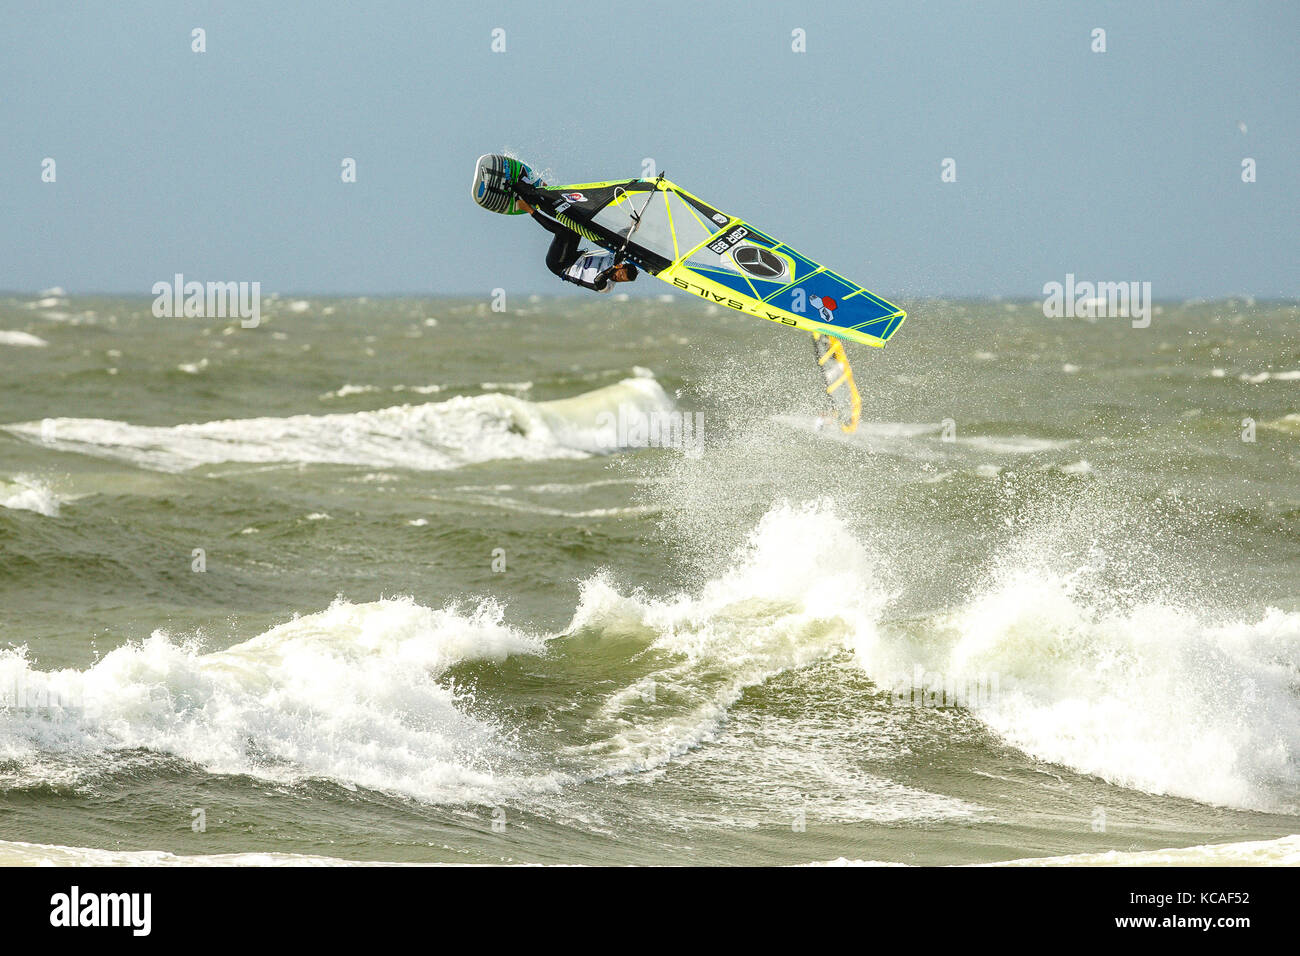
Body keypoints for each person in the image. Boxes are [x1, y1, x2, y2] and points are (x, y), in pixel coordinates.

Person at [515, 197, 638, 293]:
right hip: (573, 256)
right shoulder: (615, 259)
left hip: (560, 266)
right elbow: (620, 239)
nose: (618, 278)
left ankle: (527, 208)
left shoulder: (608, 287)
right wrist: (632, 227)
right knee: (577, 224)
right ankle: (542, 201)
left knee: (562, 233)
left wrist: (613, 269)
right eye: (621, 274)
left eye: (622, 280)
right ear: (622, 266)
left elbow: (598, 281)